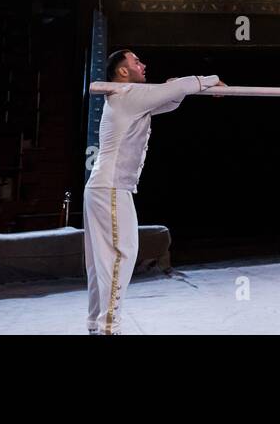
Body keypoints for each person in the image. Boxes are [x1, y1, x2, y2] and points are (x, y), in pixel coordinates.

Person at [84, 49, 226, 333]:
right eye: (136, 61)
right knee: (121, 254)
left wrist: (176, 89)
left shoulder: (132, 99)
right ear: (123, 72)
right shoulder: (127, 94)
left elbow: (171, 99)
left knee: (103, 259)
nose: (143, 64)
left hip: (105, 187)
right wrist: (213, 79)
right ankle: (108, 324)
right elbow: (179, 87)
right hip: (111, 187)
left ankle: (96, 321)